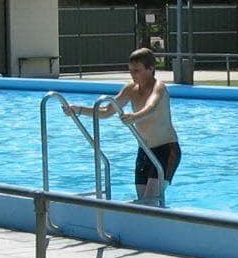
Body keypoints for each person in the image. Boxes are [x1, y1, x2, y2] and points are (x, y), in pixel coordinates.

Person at [65, 47, 180, 205]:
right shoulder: (130, 89)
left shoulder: (159, 87)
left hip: (166, 150)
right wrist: (78, 110)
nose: (133, 75)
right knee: (143, 202)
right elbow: (106, 111)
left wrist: (135, 116)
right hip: (145, 151)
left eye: (137, 71)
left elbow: (151, 106)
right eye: (131, 71)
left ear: (151, 69)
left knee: (150, 200)